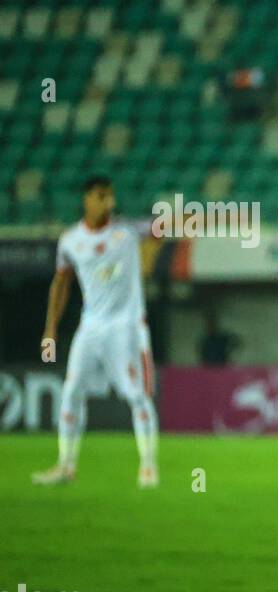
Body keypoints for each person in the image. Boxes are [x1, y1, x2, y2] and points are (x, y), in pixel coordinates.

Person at [32, 176, 162, 488]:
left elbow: (167, 226)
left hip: (125, 325)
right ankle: (66, 465)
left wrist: (215, 217)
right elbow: (61, 284)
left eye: (111, 197)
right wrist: (50, 329)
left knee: (137, 395)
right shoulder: (70, 241)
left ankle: (148, 466)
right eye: (102, 196)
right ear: (87, 199)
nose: (109, 203)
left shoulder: (128, 232)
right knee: (71, 391)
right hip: (90, 326)